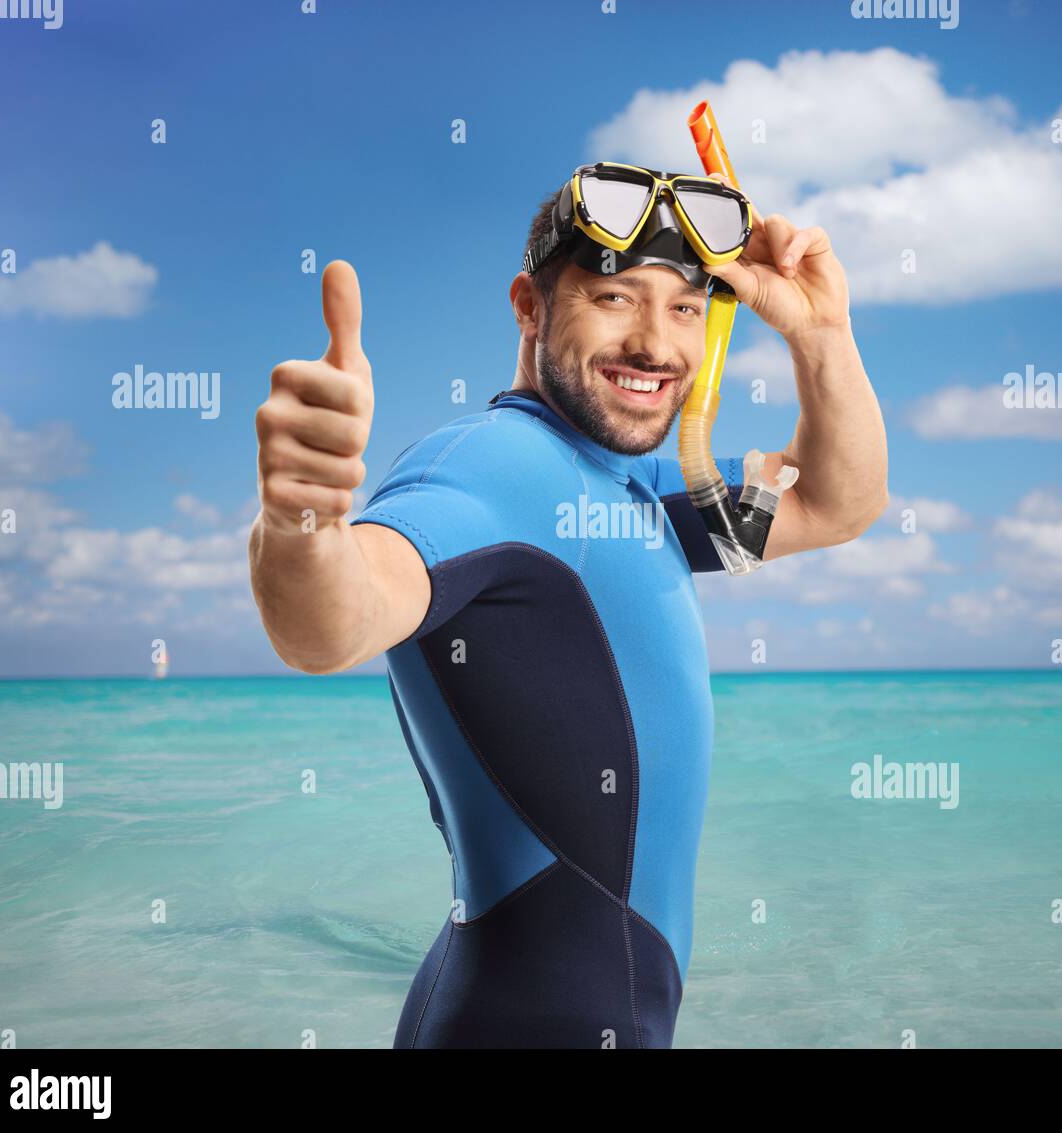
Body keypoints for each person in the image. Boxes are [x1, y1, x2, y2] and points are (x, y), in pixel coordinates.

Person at [249, 164, 888, 1048]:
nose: (658, 344)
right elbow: (333, 624)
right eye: (616, 297)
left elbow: (835, 501)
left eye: (684, 309)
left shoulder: (639, 489)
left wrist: (822, 333)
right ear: (529, 306)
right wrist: (300, 518)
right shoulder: (484, 465)